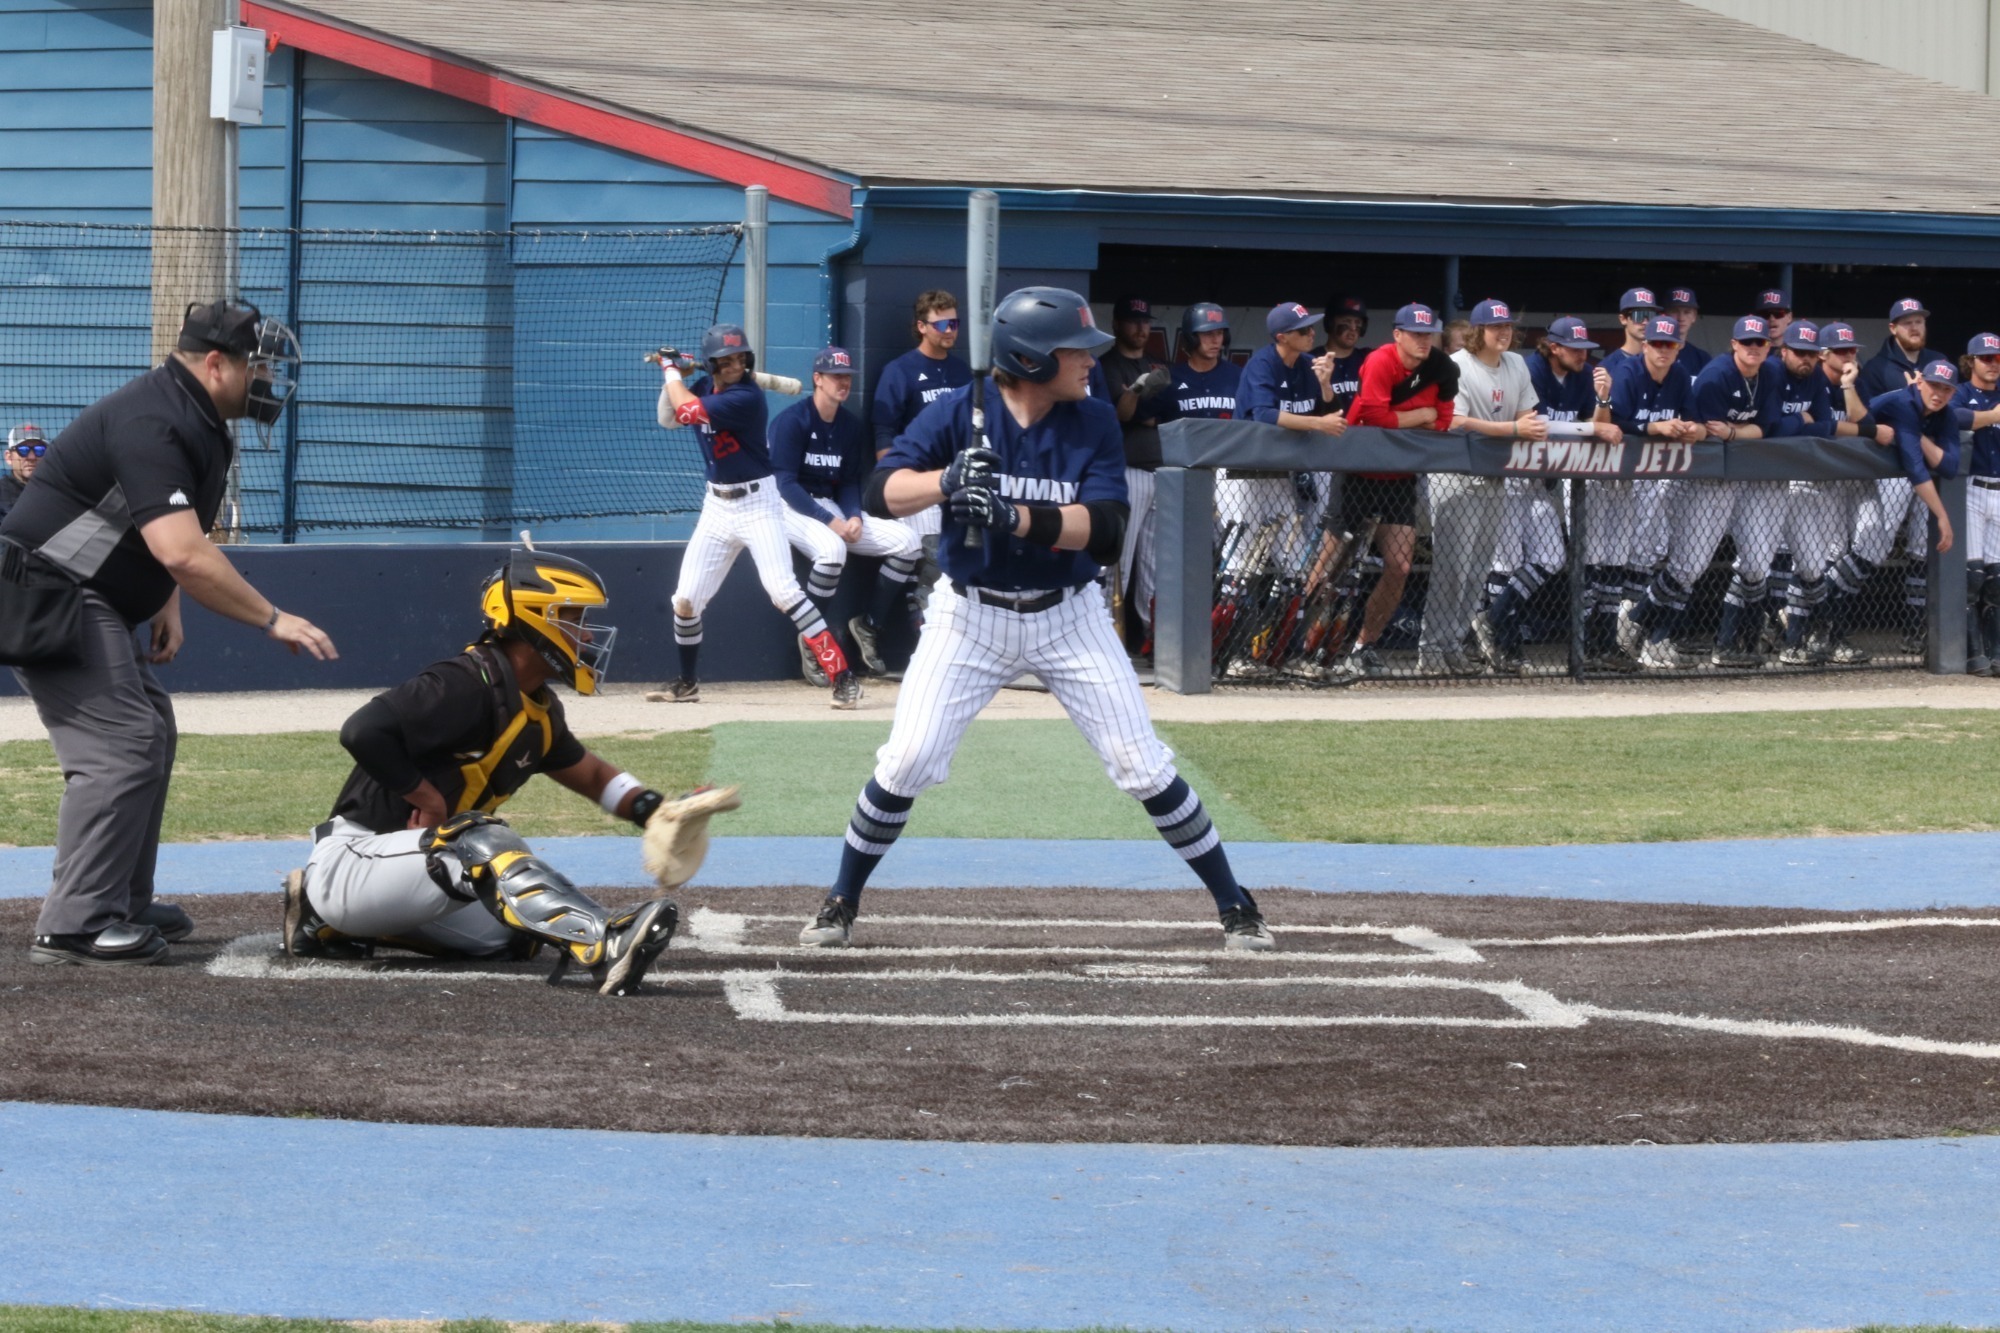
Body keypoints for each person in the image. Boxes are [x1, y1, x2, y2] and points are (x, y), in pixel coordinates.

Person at [797, 286, 1273, 953]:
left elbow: (1105, 530)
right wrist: (947, 481)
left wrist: (1014, 515)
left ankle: (1235, 902)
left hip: (1069, 616)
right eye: (1075, 351)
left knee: (1141, 764)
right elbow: (882, 493)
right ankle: (841, 899)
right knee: (907, 760)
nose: (1089, 362)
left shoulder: (1095, 419)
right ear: (1029, 359)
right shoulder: (960, 414)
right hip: (968, 616)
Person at [2, 299, 332, 966]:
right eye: (259, 366)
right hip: (46, 591)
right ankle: (74, 925)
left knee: (151, 725)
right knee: (121, 743)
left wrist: (166, 603)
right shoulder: (154, 420)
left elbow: (167, 535)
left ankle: (119, 897)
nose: (269, 380)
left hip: (86, 593)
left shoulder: (195, 418)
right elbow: (181, 550)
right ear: (215, 364)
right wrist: (273, 618)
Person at [283, 548, 683, 997]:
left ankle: (323, 926)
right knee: (478, 836)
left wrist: (657, 811)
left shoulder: (538, 711)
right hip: (353, 861)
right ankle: (603, 942)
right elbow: (361, 731)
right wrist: (428, 800)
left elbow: (593, 777)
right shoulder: (464, 682)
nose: (586, 633)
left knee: (519, 933)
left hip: (410, 873)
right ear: (534, 618)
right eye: (574, 618)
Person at [651, 322, 860, 708]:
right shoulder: (703, 386)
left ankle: (843, 677)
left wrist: (669, 369)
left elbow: (687, 410)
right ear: (712, 363)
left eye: (740, 358)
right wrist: (676, 376)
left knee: (783, 592)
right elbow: (668, 417)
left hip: (758, 504)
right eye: (726, 360)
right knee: (685, 600)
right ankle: (687, 682)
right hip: (717, 506)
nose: (735, 365)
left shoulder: (747, 396)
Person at [769, 346, 922, 683]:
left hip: (831, 506)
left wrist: (854, 516)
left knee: (908, 542)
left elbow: (850, 482)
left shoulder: (849, 426)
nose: (843, 382)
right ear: (817, 379)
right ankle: (813, 640)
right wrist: (832, 522)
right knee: (832, 551)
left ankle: (868, 624)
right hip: (789, 507)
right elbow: (785, 485)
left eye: (847, 376)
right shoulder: (792, 421)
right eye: (836, 376)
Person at [1323, 301, 1455, 679]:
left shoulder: (1441, 368)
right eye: (1415, 334)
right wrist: (1421, 416)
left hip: (1399, 476)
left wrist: (1417, 419)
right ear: (1397, 335)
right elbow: (1374, 415)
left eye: (1428, 334)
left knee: (1400, 566)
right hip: (1358, 469)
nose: (1423, 340)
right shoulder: (1381, 360)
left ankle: (1364, 646)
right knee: (1332, 565)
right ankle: (1305, 644)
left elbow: (1444, 421)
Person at [1488, 317, 1623, 671]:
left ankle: (1492, 617)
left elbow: (1601, 426)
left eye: (1585, 349)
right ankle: (1506, 647)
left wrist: (1602, 398)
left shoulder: (1584, 375)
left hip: (1540, 482)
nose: (1583, 356)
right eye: (1575, 349)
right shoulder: (1531, 369)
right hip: (1509, 475)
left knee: (1551, 557)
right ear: (1554, 347)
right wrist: (1589, 428)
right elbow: (1539, 425)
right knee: (1505, 563)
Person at [1424, 298, 1545, 676]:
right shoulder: (1457, 365)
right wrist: (1512, 428)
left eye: (1507, 326)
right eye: (1495, 327)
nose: (1504, 332)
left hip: (1494, 477)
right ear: (1479, 331)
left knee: (1477, 571)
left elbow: (1527, 415)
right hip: (1454, 477)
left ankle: (1453, 645)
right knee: (1452, 570)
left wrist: (1521, 425)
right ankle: (1431, 650)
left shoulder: (1517, 364)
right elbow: (1455, 421)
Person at [1606, 314, 1707, 670]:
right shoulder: (1628, 373)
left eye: (1670, 345)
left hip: (1660, 476)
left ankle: (1642, 632)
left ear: (1679, 348)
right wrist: (1654, 427)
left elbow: (1694, 419)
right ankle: (1617, 634)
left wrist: (1692, 429)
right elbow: (1615, 422)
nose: (1664, 351)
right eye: (1658, 344)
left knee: (1657, 554)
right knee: (1628, 557)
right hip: (1620, 477)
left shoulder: (1679, 374)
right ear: (1646, 345)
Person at [1220, 302, 1340, 601]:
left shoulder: (1308, 365)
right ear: (1281, 337)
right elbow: (1264, 414)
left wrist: (1326, 385)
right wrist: (1317, 423)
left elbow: (1335, 416)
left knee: (1293, 556)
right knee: (1242, 556)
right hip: (1242, 472)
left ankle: (1283, 625)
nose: (1312, 333)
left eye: (1311, 327)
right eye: (1303, 330)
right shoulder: (1262, 364)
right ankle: (1228, 622)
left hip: (1278, 471)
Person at [1794, 321, 1896, 666]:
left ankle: (1805, 612)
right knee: (1832, 554)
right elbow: (1816, 427)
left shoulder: (1857, 381)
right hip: (1823, 479)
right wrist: (1862, 429)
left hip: (1858, 475)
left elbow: (1863, 423)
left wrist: (1849, 385)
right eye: (1841, 351)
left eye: (1852, 349)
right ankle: (1830, 633)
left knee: (1875, 543)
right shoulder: (1813, 382)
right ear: (1823, 354)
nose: (1849, 355)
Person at [1859, 298, 1951, 651]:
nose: (1915, 327)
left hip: (1926, 466)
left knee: (1922, 549)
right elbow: (1866, 418)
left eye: (1919, 321)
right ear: (1893, 327)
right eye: (1907, 322)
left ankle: (1915, 631)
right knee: (1875, 544)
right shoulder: (1877, 368)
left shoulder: (1937, 362)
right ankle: (1834, 625)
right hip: (1891, 469)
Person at [873, 290, 973, 595]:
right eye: (942, 324)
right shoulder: (899, 371)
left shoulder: (962, 371)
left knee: (956, 563)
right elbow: (884, 432)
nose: (950, 330)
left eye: (954, 323)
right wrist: (894, 479)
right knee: (930, 563)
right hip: (920, 479)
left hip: (960, 480)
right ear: (921, 327)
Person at [1100, 296, 1174, 647]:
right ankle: (1104, 633)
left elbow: (1168, 412)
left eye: (1145, 321)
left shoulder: (1156, 364)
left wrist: (1144, 408)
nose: (1141, 327)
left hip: (1162, 471)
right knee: (1120, 561)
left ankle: (1151, 637)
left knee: (1154, 565)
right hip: (1128, 472)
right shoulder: (1107, 365)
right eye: (1133, 321)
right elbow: (1123, 414)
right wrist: (1137, 398)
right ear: (1117, 324)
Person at [1954, 332, 2000, 674]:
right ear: (1971, 361)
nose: (1993, 364)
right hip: (1970, 488)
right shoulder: (1960, 392)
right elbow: (1949, 417)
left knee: (1997, 580)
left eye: (1998, 358)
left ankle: (1995, 652)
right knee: (1972, 576)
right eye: (1986, 358)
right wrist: (1991, 416)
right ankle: (1971, 653)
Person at [1599, 286, 1659, 381]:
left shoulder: (1663, 361)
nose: (1645, 322)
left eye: (1650, 315)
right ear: (1623, 319)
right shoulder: (1607, 366)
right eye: (1638, 315)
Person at [0, 422, 45, 521]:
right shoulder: (2, 493)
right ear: (9, 457)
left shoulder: (57, 491)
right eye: (23, 450)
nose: (32, 457)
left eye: (39, 450)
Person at [1666, 287, 1711, 376]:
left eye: (1687, 312)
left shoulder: (1702, 359)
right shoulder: (1651, 354)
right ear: (1665, 314)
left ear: (1694, 316)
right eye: (1675, 311)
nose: (1681, 318)